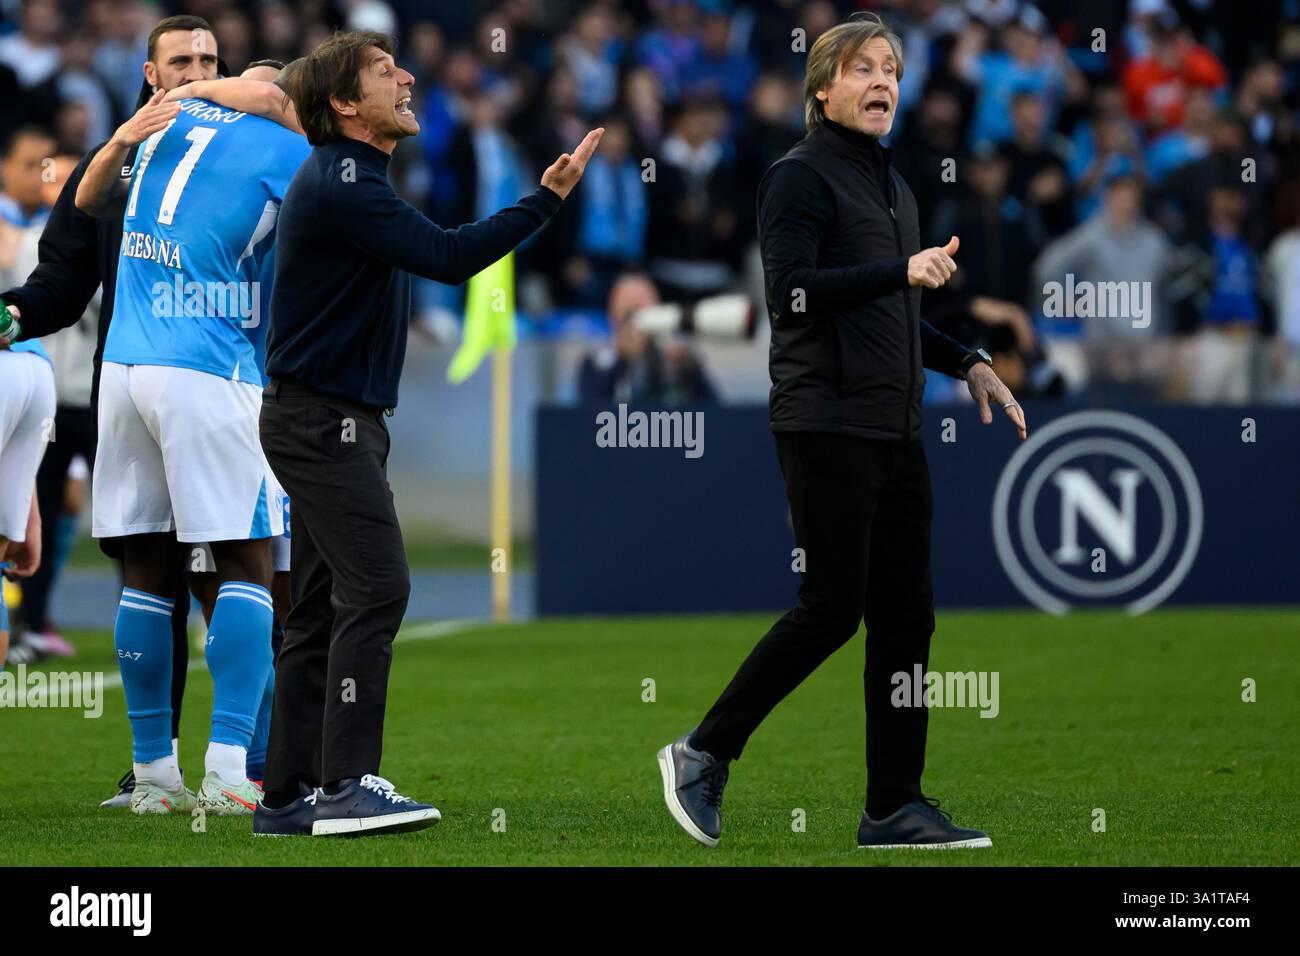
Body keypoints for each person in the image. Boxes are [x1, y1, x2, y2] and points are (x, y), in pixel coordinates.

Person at [657, 14, 1026, 851]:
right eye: (863, 67)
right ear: (822, 89)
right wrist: (902, 269)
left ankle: (894, 804)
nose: (882, 81)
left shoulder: (894, 187)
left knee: (907, 619)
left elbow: (894, 313)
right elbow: (790, 292)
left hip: (894, 427)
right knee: (831, 609)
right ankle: (701, 753)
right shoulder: (797, 177)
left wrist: (966, 359)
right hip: (824, 420)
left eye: (891, 67)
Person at [253, 29, 601, 837]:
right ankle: (345, 785)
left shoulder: (349, 177)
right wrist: (544, 200)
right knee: (378, 587)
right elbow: (448, 258)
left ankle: (286, 797)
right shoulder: (344, 180)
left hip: (322, 418)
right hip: (325, 422)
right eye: (383, 71)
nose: (407, 77)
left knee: (314, 610)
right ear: (343, 104)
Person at [0, 15, 228, 808]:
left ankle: (258, 766)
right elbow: (62, 279)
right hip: (127, 396)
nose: (197, 70)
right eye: (181, 59)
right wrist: (13, 317)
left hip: (230, 393)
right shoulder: (112, 169)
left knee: (237, 575)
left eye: (209, 58)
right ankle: (156, 771)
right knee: (150, 575)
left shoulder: (250, 152)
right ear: (148, 71)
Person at [74, 53, 310, 816]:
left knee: (148, 564)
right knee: (248, 559)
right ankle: (232, 769)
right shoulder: (295, 152)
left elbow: (88, 199)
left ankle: (153, 776)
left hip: (124, 366)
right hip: (208, 368)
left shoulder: (170, 120)